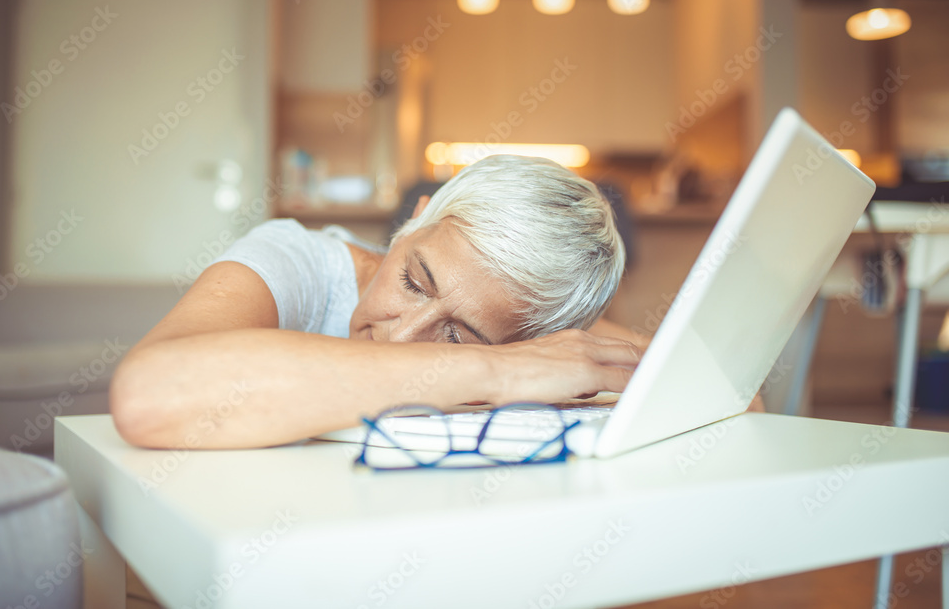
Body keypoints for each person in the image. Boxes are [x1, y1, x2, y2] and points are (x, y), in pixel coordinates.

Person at [110, 155, 647, 450]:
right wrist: (497, 369)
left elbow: (658, 362)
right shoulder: (298, 260)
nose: (402, 336)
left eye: (456, 337)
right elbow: (149, 395)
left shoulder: (534, 328)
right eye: (414, 281)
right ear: (414, 219)